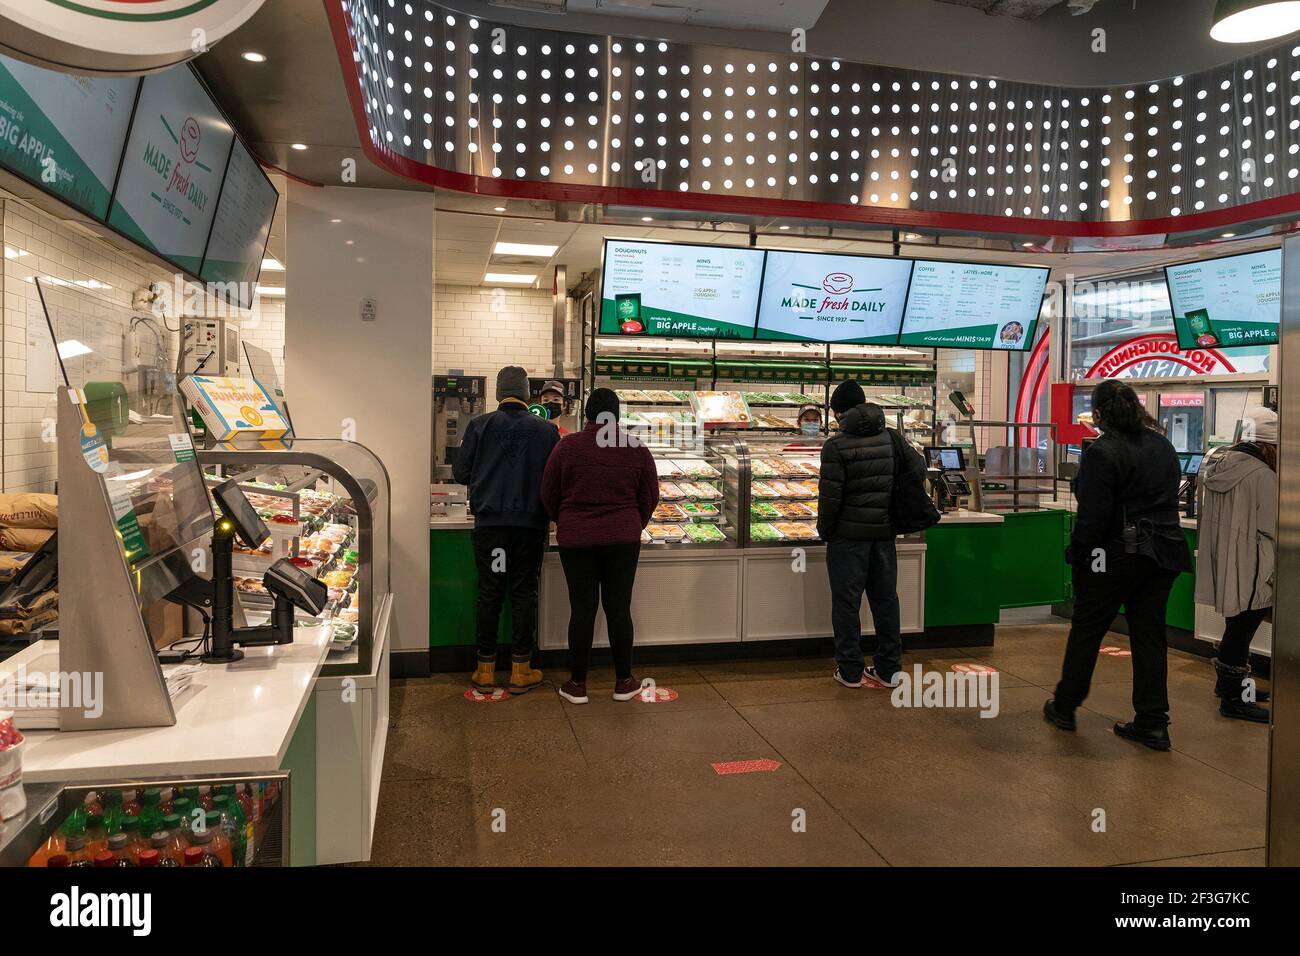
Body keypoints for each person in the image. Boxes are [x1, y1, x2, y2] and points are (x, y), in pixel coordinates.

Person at [1044, 380, 1191, 750]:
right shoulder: (1163, 445)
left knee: (1088, 629)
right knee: (1149, 636)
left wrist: (1077, 553)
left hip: (1115, 555)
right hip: (1165, 552)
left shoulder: (1102, 452)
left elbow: (1094, 518)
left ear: (1098, 413)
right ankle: (1154, 722)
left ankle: (1065, 706)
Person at [541, 388, 659, 704]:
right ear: (616, 415)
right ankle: (624, 682)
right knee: (619, 608)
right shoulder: (635, 447)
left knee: (582, 609)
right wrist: (634, 522)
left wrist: (565, 520)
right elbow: (650, 495)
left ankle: (577, 684)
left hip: (576, 540)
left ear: (588, 415)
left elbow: (548, 491)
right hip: (623, 539)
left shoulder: (568, 447)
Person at [452, 366, 560, 694]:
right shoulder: (546, 431)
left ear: (499, 394)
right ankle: (520, 670)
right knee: (524, 592)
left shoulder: (478, 426)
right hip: (529, 527)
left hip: (491, 528)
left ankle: (484, 669)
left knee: (491, 592)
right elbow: (554, 479)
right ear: (527, 394)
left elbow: (460, 473)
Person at [818, 380, 925, 689]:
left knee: (846, 603)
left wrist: (826, 532)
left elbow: (830, 499)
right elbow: (918, 469)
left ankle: (850, 671)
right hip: (883, 534)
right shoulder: (892, 437)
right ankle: (890, 669)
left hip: (847, 538)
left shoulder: (836, 445)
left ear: (839, 413)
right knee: (886, 600)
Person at [1195, 406, 1277, 723]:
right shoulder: (1263, 476)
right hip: (1255, 568)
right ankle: (1234, 699)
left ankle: (1234, 686)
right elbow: (1273, 525)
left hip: (1229, 561)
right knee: (1241, 632)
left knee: (1236, 629)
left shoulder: (1222, 464)